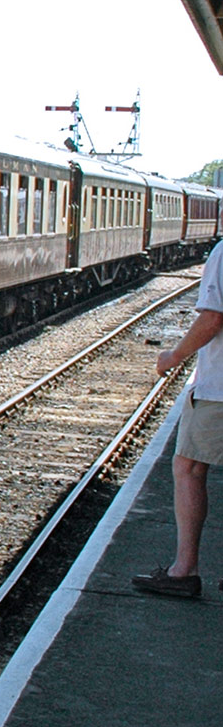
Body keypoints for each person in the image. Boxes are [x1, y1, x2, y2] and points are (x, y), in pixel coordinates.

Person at [134, 238, 223, 597]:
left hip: (219, 391)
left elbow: (212, 318)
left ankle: (184, 570)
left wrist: (173, 356)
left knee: (188, 466)